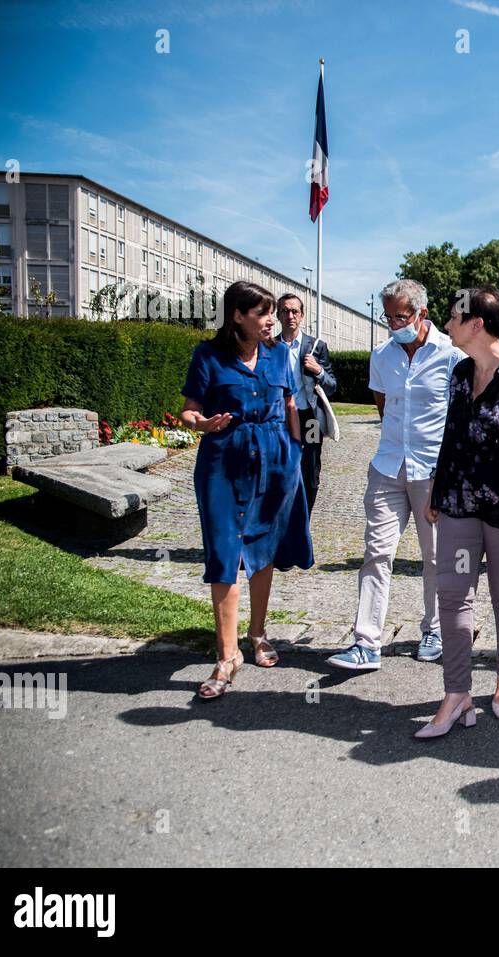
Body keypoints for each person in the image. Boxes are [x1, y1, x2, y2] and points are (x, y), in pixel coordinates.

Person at [418, 287, 499, 738]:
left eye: (453, 317)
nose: (446, 325)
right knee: (453, 593)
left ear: (477, 324)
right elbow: (452, 433)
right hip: (459, 502)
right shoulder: (459, 373)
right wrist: (437, 484)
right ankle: (457, 693)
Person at [180, 280, 314, 699]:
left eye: (273, 311)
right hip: (225, 462)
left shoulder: (278, 356)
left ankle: (257, 633)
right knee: (225, 552)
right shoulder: (208, 355)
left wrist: (295, 458)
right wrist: (201, 425)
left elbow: (291, 405)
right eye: (262, 312)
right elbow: (188, 410)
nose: (271, 319)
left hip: (276, 460)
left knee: (264, 549)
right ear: (238, 316)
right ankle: (226, 655)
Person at [327, 279, 464, 671]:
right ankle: (366, 643)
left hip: (432, 471)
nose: (392, 324)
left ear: (422, 313)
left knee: (435, 556)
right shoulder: (382, 355)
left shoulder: (451, 356)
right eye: (386, 316)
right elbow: (384, 406)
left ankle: (434, 629)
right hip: (388, 467)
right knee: (377, 552)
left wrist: (447, 472)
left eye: (399, 316)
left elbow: (458, 419)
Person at [276, 293, 337, 514]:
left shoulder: (316, 347)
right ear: (278, 315)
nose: (290, 315)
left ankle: (303, 522)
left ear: (302, 316)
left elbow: (332, 385)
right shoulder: (270, 347)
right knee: (281, 469)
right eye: (285, 311)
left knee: (309, 470)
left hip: (310, 419)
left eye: (295, 311)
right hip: (281, 419)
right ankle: (281, 521)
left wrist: (317, 369)